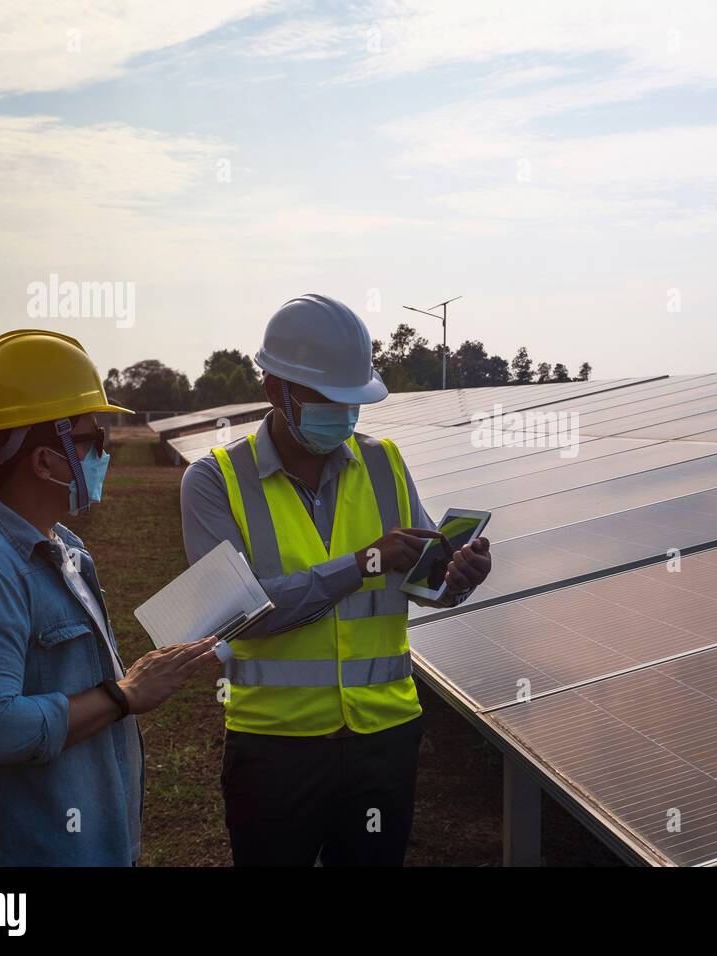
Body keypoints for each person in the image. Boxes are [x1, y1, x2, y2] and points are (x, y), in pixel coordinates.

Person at [180, 293, 492, 866]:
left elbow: (422, 582)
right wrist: (362, 563)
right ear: (277, 390)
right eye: (329, 399)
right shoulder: (214, 482)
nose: (346, 416)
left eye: (354, 402)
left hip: (385, 737)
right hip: (276, 747)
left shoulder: (384, 463)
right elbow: (234, 613)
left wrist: (457, 578)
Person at [0, 329, 218, 866]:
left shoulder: (64, 550)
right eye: (90, 440)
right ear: (43, 461)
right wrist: (125, 694)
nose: (102, 453)